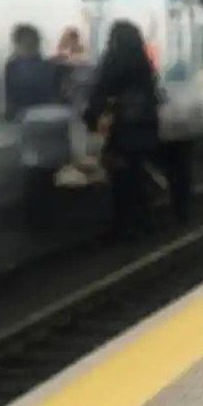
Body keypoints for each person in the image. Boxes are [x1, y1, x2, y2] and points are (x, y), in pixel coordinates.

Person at [83, 21, 161, 241]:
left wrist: (91, 118)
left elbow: (101, 91)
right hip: (145, 128)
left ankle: (123, 226)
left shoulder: (113, 60)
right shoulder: (143, 62)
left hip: (122, 128)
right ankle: (144, 221)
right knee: (137, 173)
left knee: (120, 178)